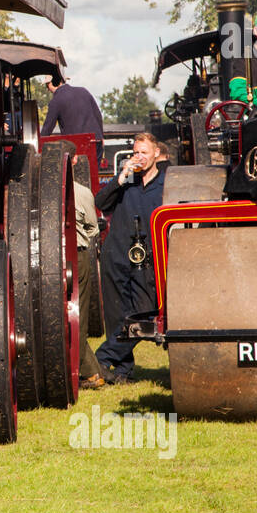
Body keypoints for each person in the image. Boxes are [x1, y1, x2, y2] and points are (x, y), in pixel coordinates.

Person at [93, 133, 165, 384]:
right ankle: (122, 372)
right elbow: (100, 202)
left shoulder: (165, 184)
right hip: (117, 255)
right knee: (115, 316)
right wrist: (120, 178)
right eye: (136, 152)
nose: (139, 157)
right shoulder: (125, 182)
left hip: (148, 258)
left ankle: (101, 359)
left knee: (145, 312)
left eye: (144, 152)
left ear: (156, 153)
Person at [73, 175, 104, 389]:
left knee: (77, 316)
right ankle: (91, 370)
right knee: (78, 313)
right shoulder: (82, 192)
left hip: (75, 256)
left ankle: (92, 372)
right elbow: (93, 228)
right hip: (78, 252)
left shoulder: (80, 191)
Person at [41, 73, 103, 146]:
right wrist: (101, 136)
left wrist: (39, 143)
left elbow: (48, 127)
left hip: (76, 144)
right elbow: (98, 116)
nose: (48, 89)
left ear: (52, 83)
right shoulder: (84, 91)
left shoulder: (55, 101)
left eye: (47, 85)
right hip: (96, 141)